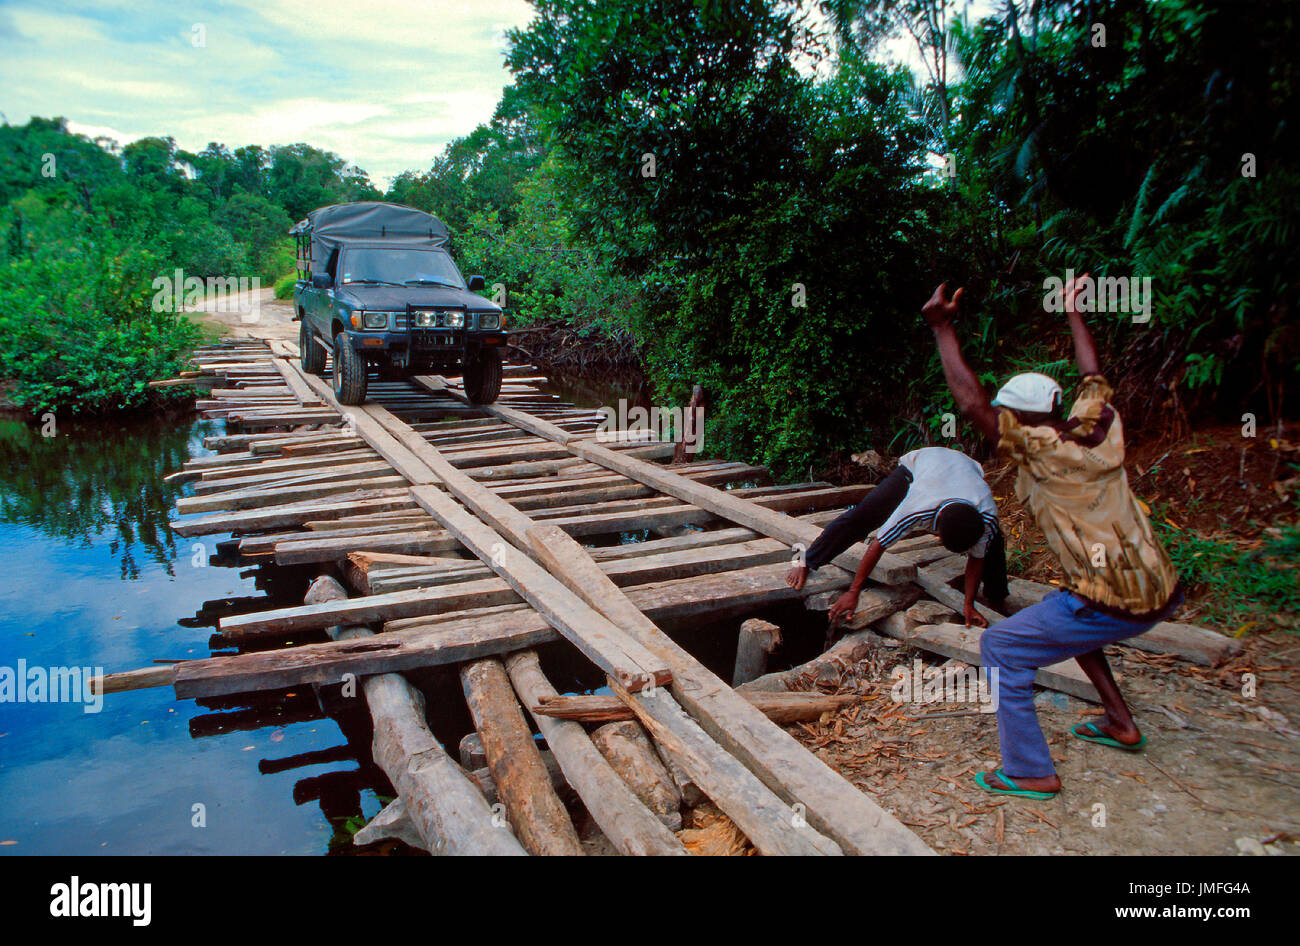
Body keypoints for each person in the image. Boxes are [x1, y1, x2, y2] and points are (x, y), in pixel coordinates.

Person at [921, 274, 1182, 800]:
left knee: (1001, 646)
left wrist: (942, 327)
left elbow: (972, 405)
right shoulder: (1096, 425)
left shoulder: (1041, 450)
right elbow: (1093, 372)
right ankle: (1119, 722)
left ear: (1018, 419)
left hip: (1113, 599)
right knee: (1064, 616)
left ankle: (1029, 770)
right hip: (1160, 587)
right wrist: (1073, 309)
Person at [785, 446, 1007, 628]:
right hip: (920, 465)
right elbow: (878, 545)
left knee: (994, 542)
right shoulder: (916, 508)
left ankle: (995, 599)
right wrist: (854, 591)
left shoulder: (986, 515)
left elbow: (976, 558)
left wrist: (967, 604)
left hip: (963, 468)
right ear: (937, 533)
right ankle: (808, 560)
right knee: (863, 516)